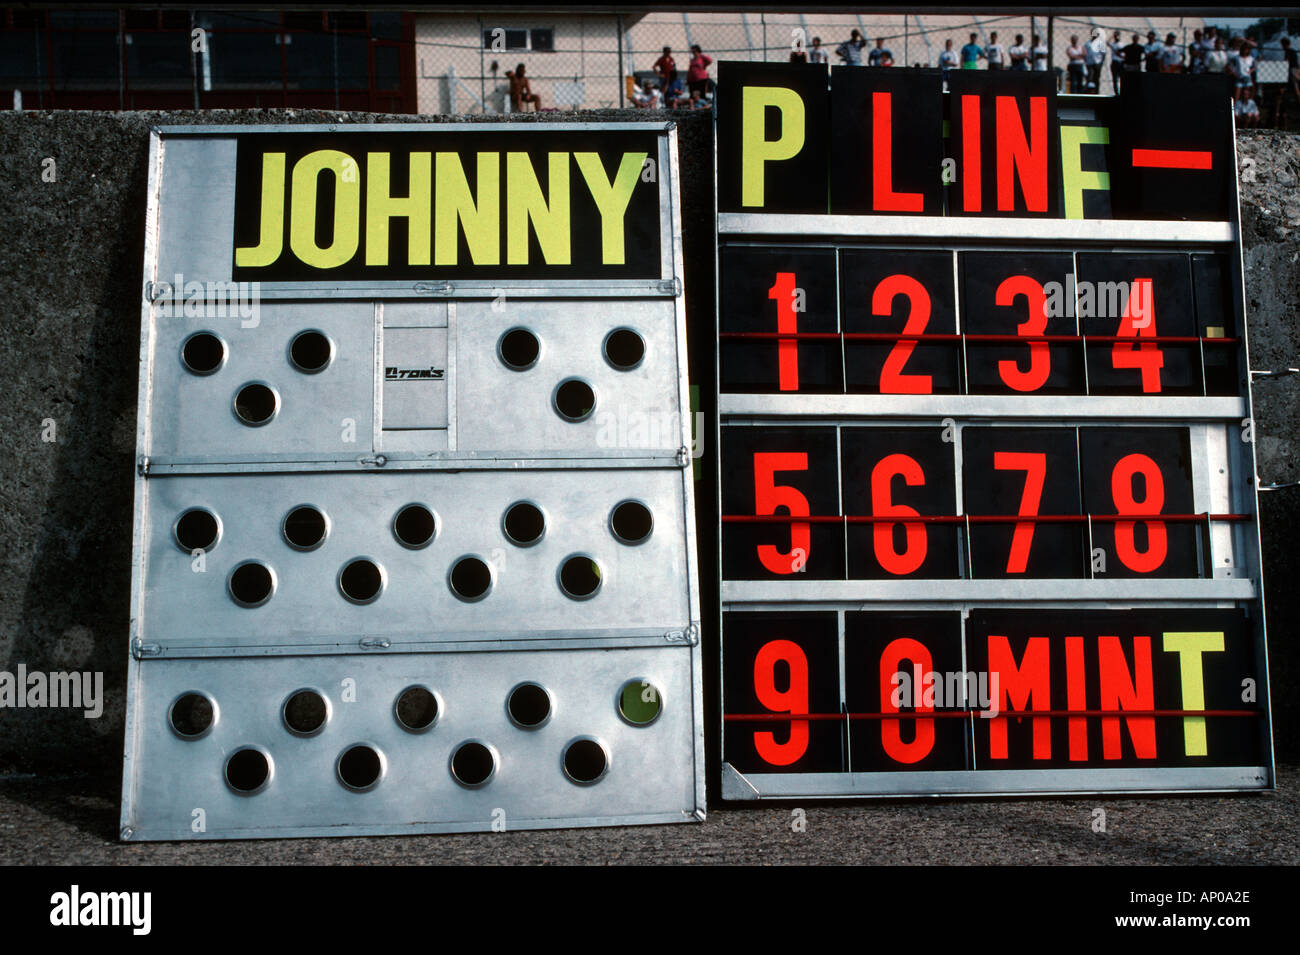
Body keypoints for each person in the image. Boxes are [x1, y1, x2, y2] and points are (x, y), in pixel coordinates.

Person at [1084, 27, 1107, 93]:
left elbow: (1103, 54)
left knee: (1096, 78)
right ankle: (1089, 91)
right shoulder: (1087, 43)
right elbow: (1085, 52)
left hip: (1097, 62)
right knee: (1089, 77)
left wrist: (1101, 62)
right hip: (1089, 63)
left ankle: (1097, 91)